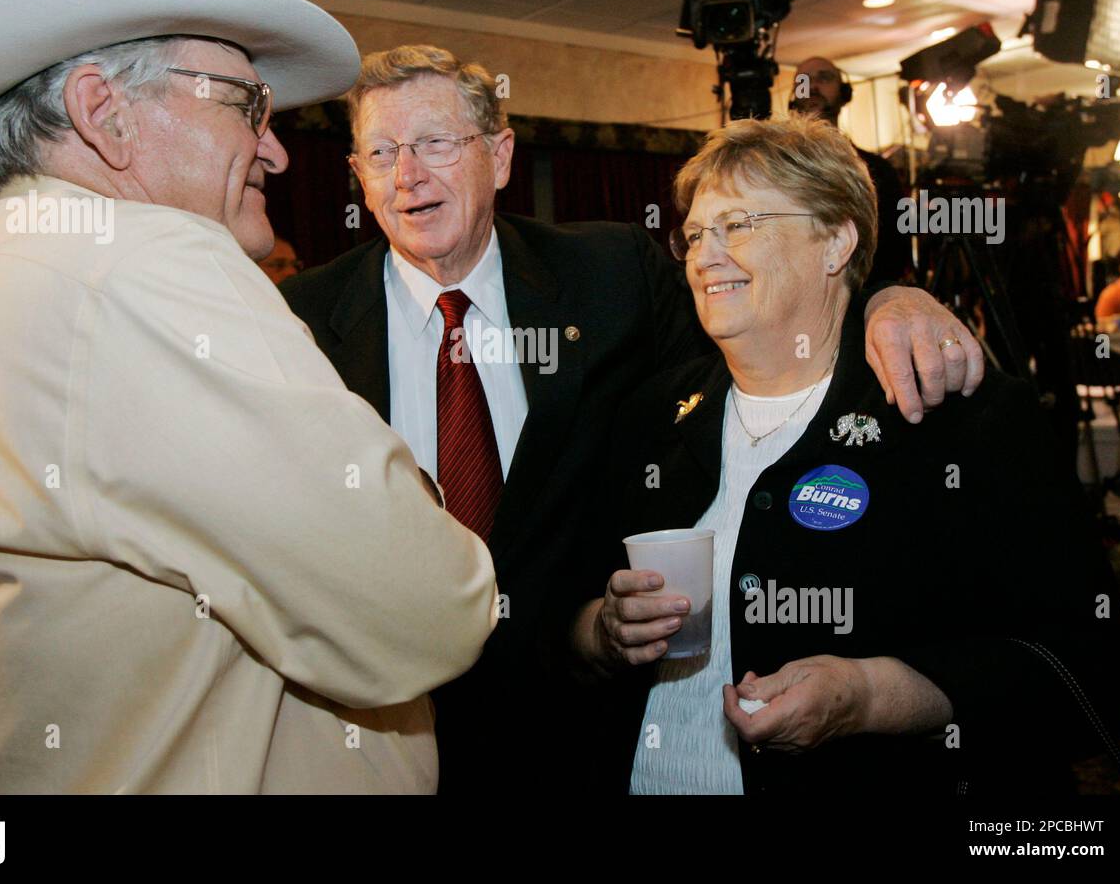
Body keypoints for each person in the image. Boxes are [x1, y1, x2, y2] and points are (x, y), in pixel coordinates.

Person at [0, 0, 496, 793]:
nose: (274, 148)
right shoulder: (144, 268)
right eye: (246, 104)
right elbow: (433, 608)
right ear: (104, 113)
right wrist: (413, 496)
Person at [281, 44, 988, 793]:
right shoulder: (300, 321)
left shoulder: (610, 274)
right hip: (381, 731)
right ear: (356, 173)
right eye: (380, 152)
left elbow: (762, 327)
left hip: (577, 737)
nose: (407, 175)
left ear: (499, 155)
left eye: (434, 144)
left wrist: (888, 298)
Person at [565, 115, 1120, 794]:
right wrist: (599, 632)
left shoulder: (951, 417)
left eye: (740, 225)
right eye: (694, 233)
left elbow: (1089, 666)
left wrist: (871, 694)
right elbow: (564, 618)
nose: (704, 254)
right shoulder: (648, 417)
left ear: (836, 240)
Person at [790, 56, 908, 285]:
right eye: (803, 81)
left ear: (844, 93)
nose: (813, 87)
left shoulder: (878, 170)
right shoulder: (778, 166)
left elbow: (895, 248)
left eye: (824, 78)